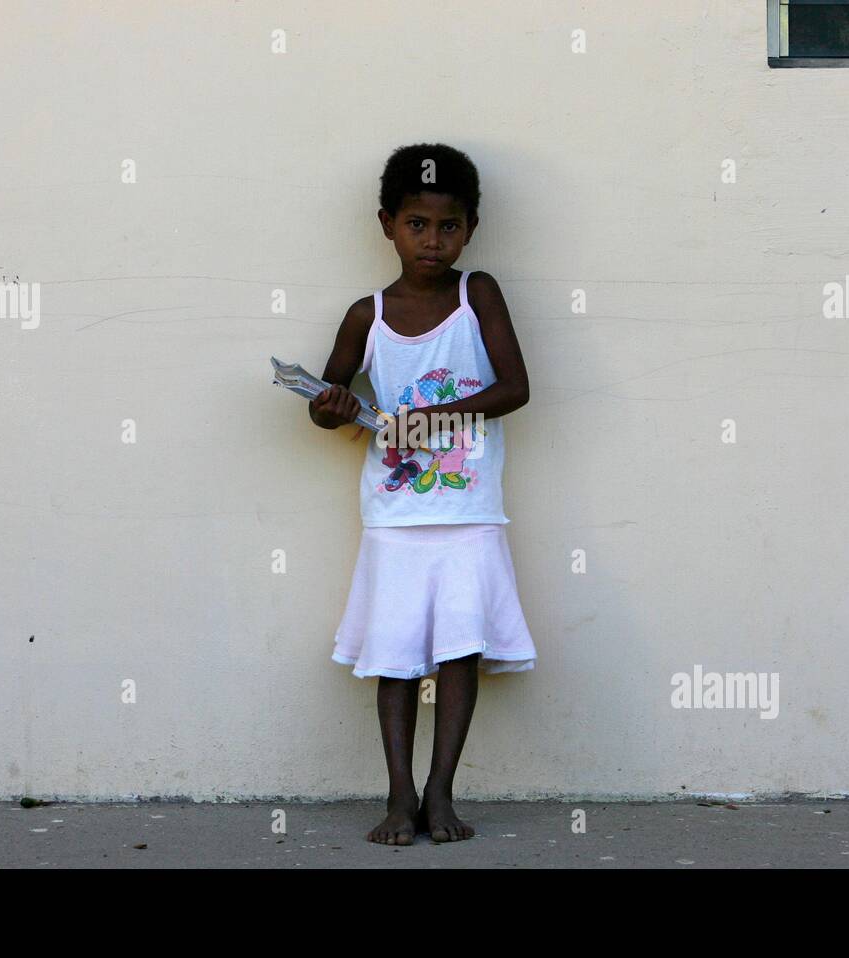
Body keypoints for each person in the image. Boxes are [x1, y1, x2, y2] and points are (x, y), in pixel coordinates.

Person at [308, 143, 536, 845]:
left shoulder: (479, 295)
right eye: (415, 224)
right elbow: (322, 400)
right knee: (397, 654)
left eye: (447, 226)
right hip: (395, 515)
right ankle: (399, 796)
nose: (431, 240)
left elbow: (515, 388)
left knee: (460, 650)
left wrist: (432, 416)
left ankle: (442, 794)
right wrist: (335, 407)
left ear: (469, 229)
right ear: (387, 224)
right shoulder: (366, 316)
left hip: (468, 509)